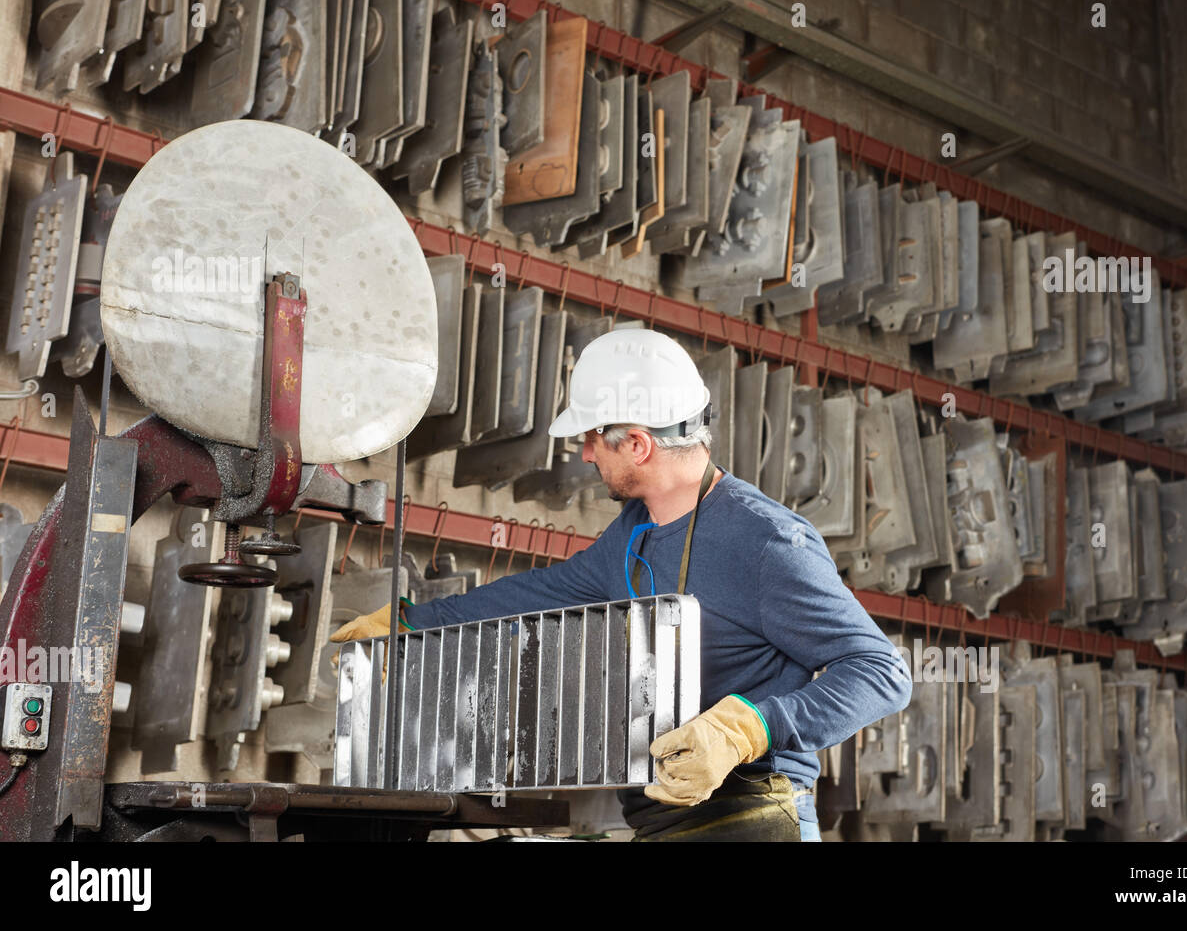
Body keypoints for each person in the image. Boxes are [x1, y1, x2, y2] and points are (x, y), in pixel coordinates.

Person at [331, 328, 912, 841]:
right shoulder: (635, 533)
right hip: (662, 820)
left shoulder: (766, 542)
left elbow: (882, 673)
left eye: (591, 438)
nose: (584, 455)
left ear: (637, 443)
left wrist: (751, 728)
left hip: (755, 818)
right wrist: (412, 623)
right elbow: (544, 593)